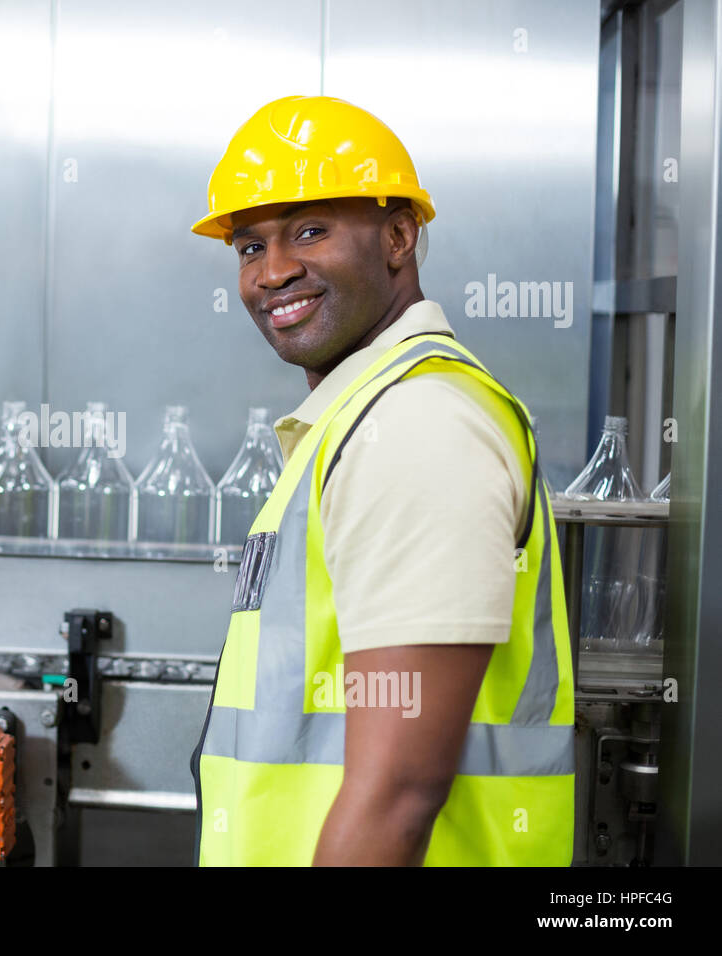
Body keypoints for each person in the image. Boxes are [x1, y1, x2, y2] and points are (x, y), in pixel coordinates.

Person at [188, 95, 574, 866]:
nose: (274, 272)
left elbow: (400, 791)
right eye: (247, 247)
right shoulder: (361, 418)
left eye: (310, 230)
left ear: (399, 236)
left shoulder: (416, 427)